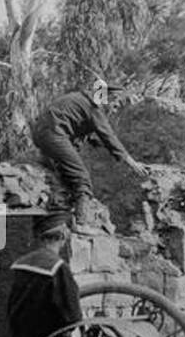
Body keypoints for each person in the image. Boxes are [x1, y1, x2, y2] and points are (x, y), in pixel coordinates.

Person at [31, 78, 150, 234]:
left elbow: (89, 133)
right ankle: (81, 223)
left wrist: (104, 147)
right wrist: (132, 162)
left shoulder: (81, 100)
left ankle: (54, 219)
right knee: (82, 178)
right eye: (115, 103)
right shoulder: (94, 107)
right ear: (108, 97)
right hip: (53, 135)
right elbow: (108, 137)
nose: (115, 108)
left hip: (42, 134)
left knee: (62, 178)